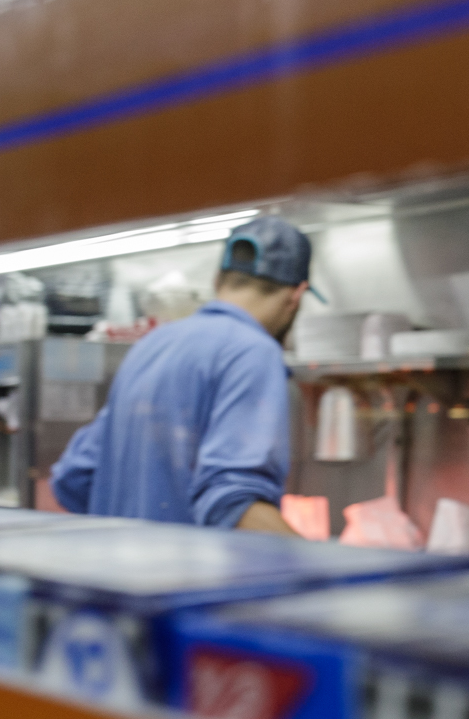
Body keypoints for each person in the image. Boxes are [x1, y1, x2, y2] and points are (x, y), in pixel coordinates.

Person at [51, 216, 322, 535]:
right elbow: (233, 503)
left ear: (217, 280)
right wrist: (317, 567)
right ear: (296, 295)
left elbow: (72, 478)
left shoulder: (151, 344)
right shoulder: (253, 352)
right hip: (192, 580)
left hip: (116, 577)